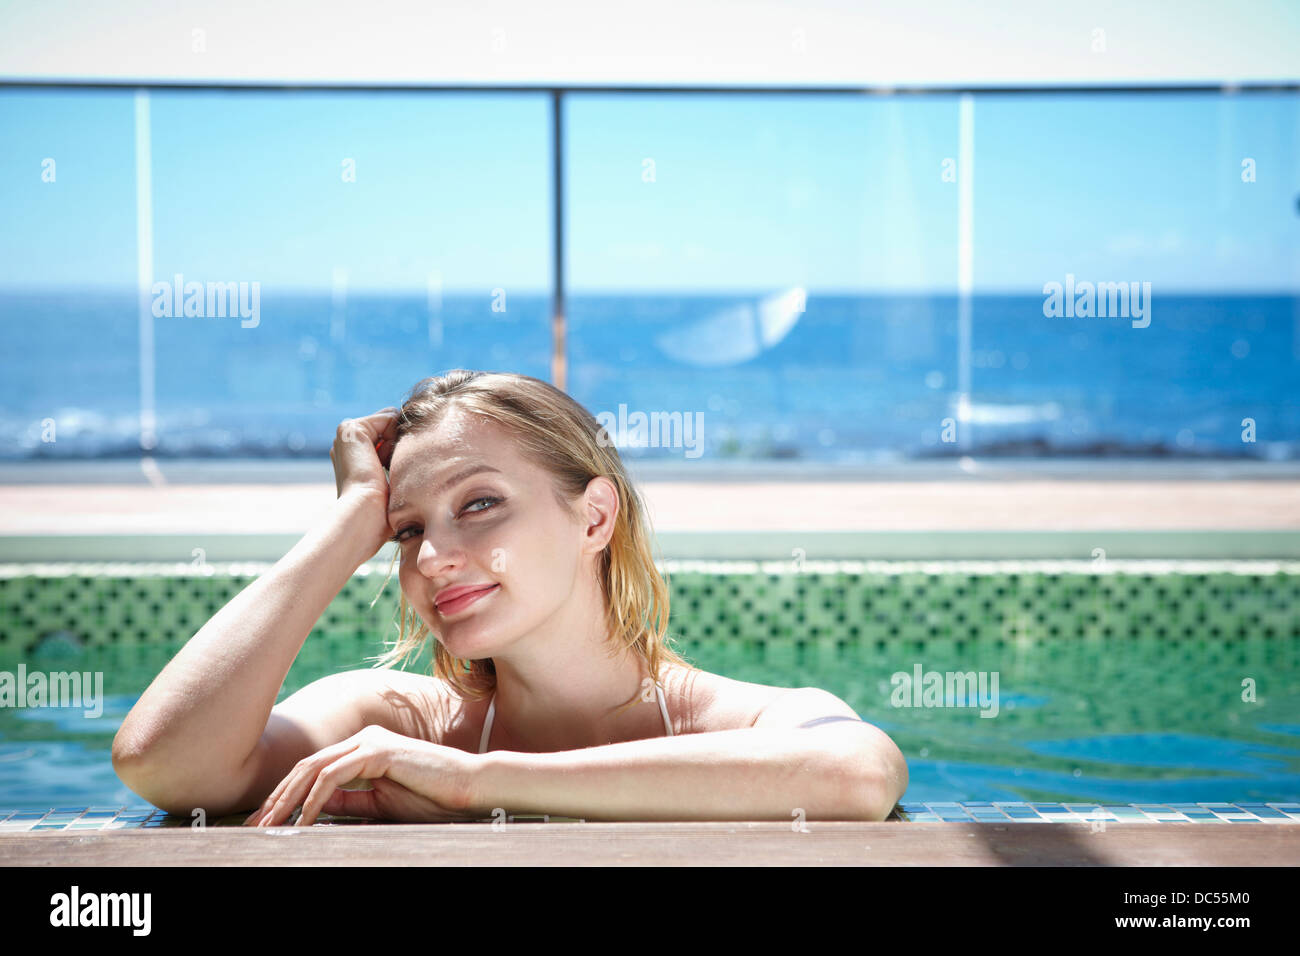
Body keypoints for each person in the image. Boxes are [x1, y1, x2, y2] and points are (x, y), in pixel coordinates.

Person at [112, 369, 908, 824]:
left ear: (595, 515)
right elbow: (164, 765)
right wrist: (353, 520)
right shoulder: (392, 720)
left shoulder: (740, 722)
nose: (432, 559)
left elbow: (857, 777)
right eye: (408, 531)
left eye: (480, 504)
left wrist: (474, 780)